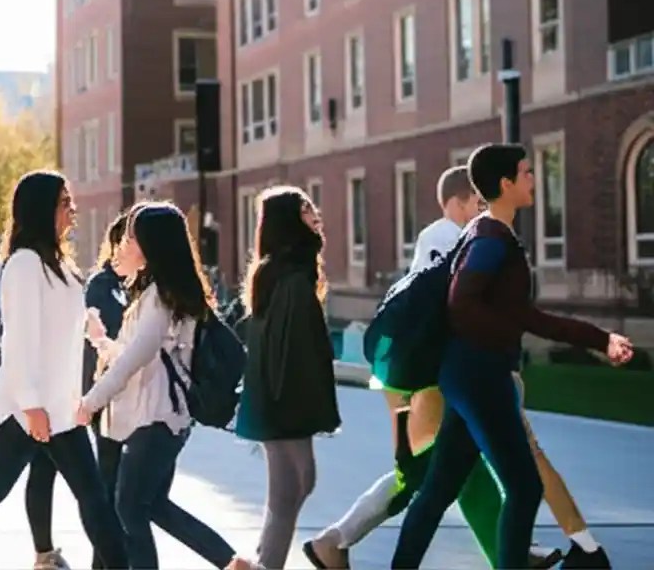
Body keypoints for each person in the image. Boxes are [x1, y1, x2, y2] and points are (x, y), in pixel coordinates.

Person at [303, 167, 561, 569]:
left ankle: (335, 542)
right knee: (436, 471)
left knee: (438, 470)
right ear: (458, 203)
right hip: (431, 378)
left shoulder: (444, 239)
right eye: (479, 202)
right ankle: (335, 541)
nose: (485, 209)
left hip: (427, 375)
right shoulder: (450, 237)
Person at [392, 144, 635, 569]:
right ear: (505, 183)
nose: (532, 179)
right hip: (481, 377)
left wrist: (598, 338)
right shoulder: (490, 240)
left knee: (440, 488)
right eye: (525, 172)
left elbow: (522, 315)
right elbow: (462, 302)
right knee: (523, 486)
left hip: (465, 374)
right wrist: (506, 334)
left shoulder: (484, 232)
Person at [0, 170, 129, 568]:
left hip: (61, 408)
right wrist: (30, 406)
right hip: (27, 409)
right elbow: (18, 341)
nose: (73, 209)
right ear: (42, 208)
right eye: (64, 202)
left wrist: (90, 325)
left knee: (93, 496)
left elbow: (58, 324)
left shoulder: (59, 265)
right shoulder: (25, 265)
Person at [78, 202, 253, 570]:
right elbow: (134, 354)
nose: (122, 245)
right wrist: (99, 340)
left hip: (157, 419)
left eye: (130, 238)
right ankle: (233, 563)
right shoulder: (158, 294)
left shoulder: (160, 298)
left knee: (129, 506)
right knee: (151, 504)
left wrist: (91, 401)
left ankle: (233, 564)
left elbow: (133, 361)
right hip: (162, 417)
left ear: (152, 245)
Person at [234, 186, 341, 569]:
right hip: (281, 400)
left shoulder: (286, 271)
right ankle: (267, 565)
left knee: (297, 483)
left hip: (277, 399)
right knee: (290, 488)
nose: (315, 214)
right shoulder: (290, 278)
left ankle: (264, 560)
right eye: (305, 208)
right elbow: (295, 351)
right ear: (288, 221)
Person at [0, 247, 68, 570]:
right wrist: (26, 392)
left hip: (46, 394)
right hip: (23, 395)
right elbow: (2, 331)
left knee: (42, 473)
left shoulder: (48, 266)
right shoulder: (17, 268)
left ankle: (44, 553)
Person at [81, 209, 134, 569]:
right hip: (107, 399)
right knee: (109, 486)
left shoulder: (143, 284)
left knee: (128, 493)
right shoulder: (101, 285)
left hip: (139, 399)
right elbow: (96, 341)